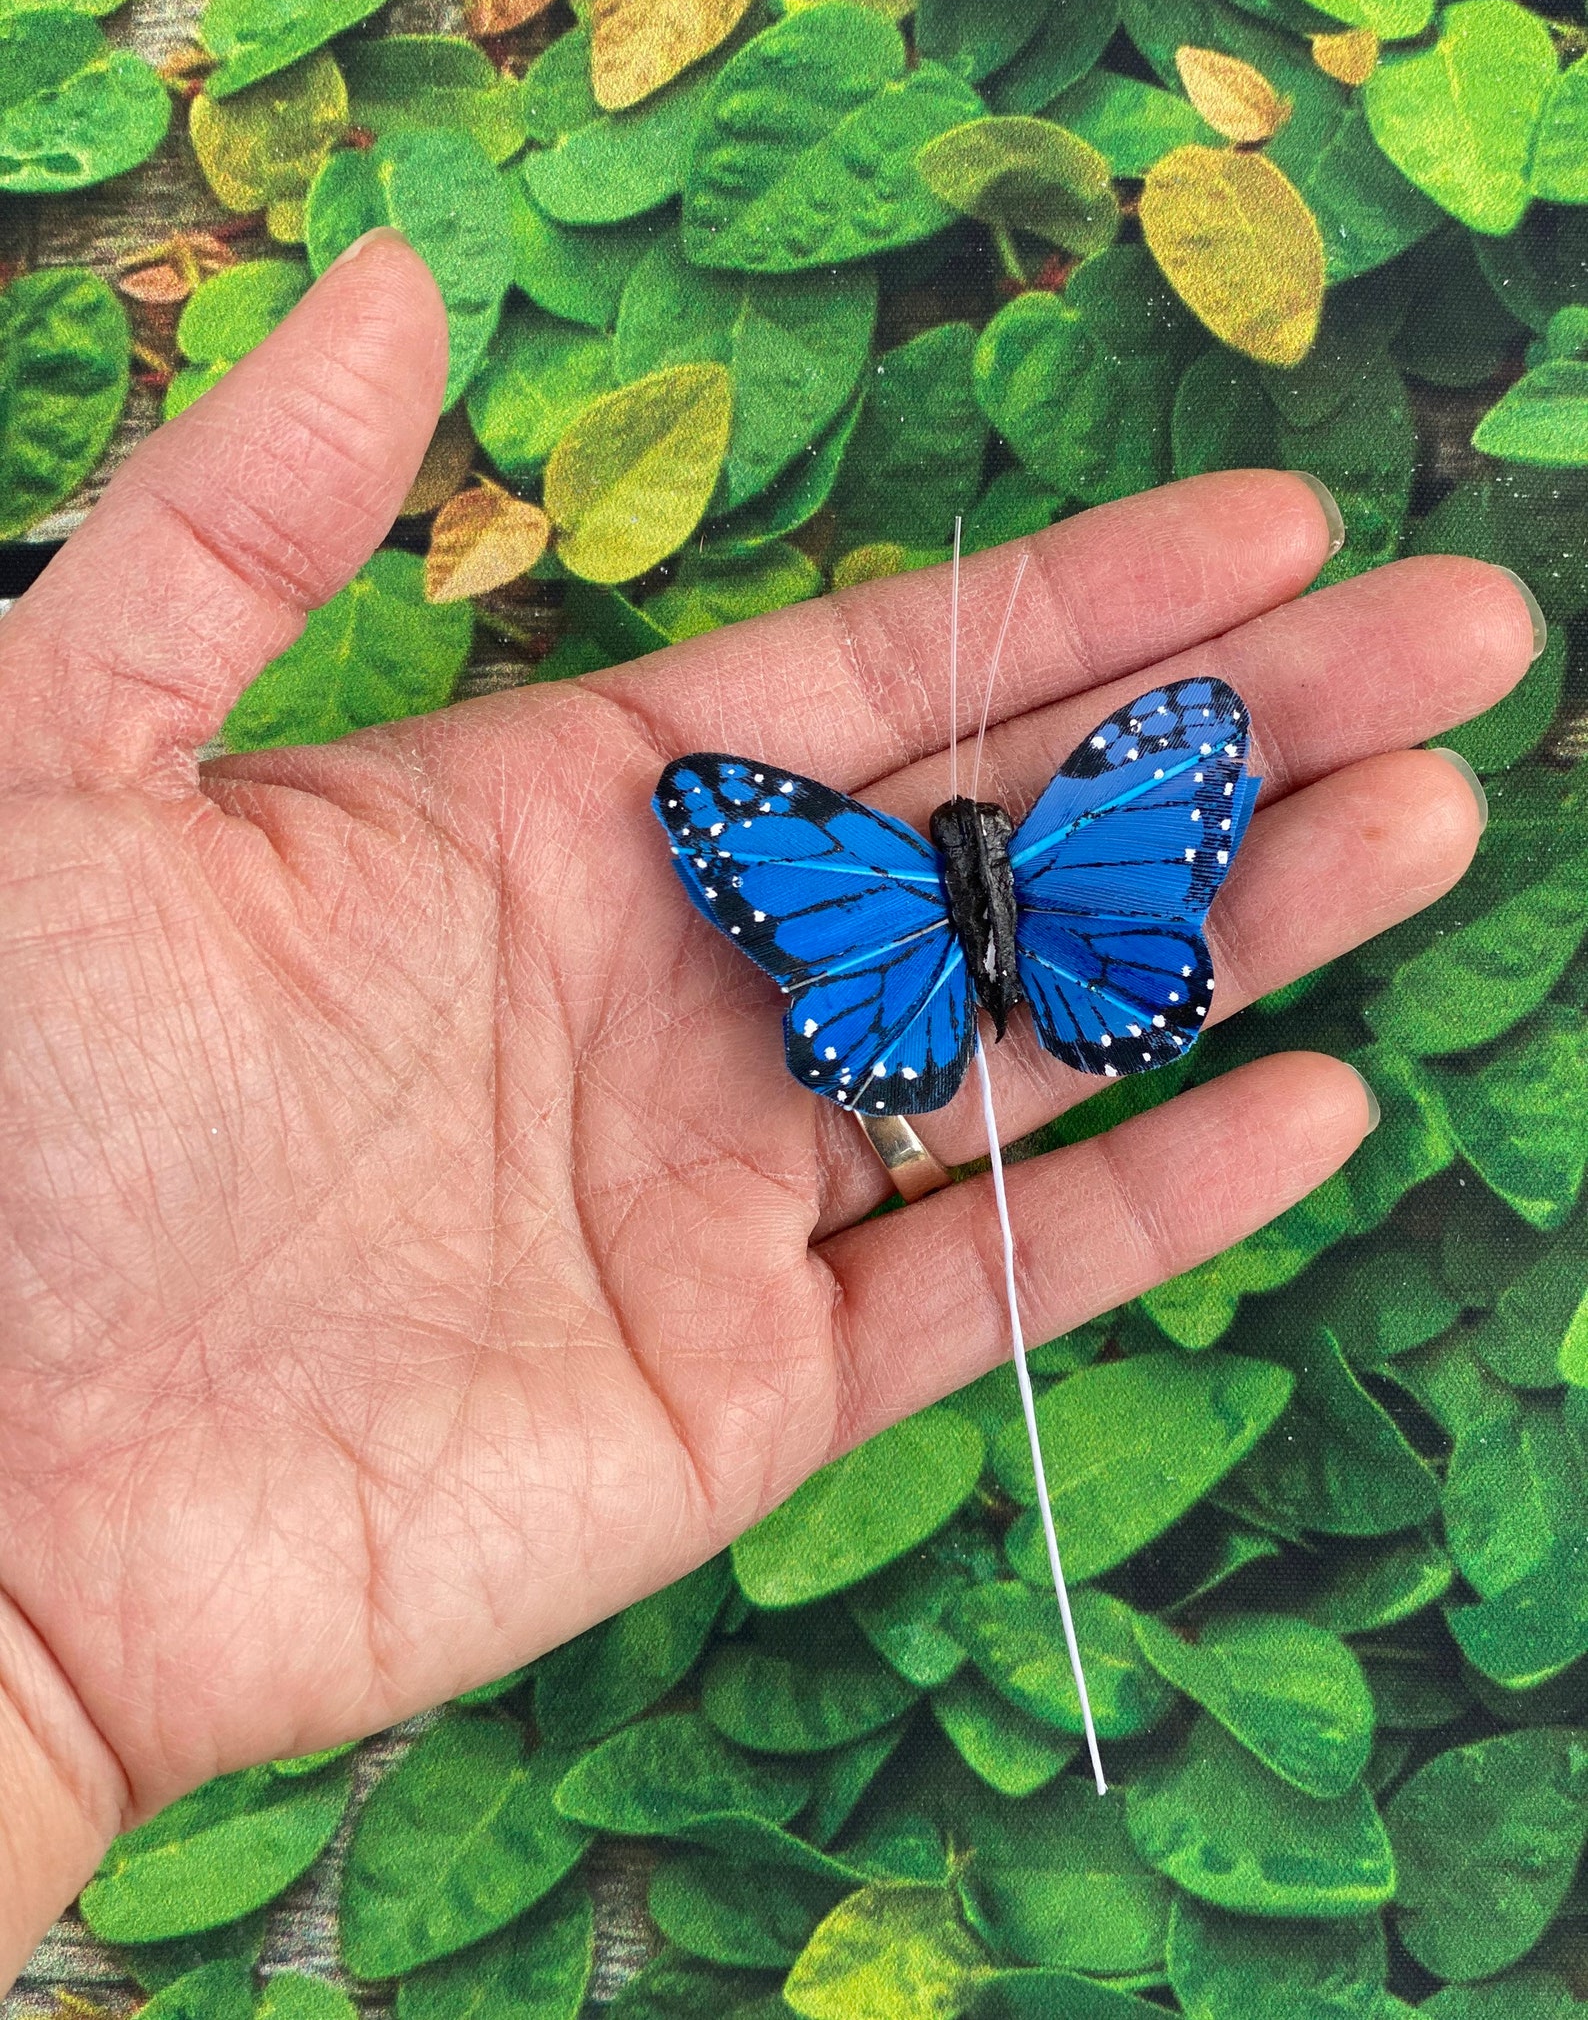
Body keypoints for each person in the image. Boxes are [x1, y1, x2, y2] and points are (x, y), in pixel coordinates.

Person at [0, 230, 1542, 1979]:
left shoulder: (848, 860)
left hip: (891, 1001)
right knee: (1112, 1014)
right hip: (1066, 960)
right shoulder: (1067, 811)